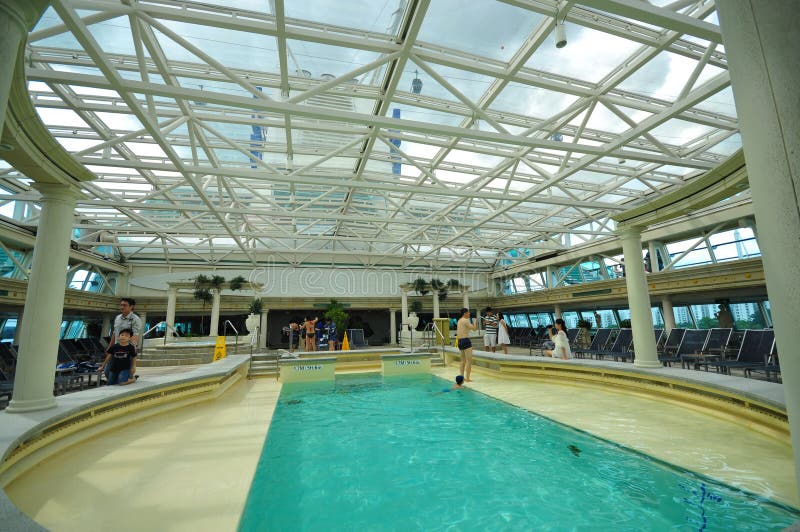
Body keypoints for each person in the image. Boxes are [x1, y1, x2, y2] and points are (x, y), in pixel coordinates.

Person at [456, 307, 478, 382]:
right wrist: (475, 322)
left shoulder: (459, 320)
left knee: (462, 361)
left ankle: (462, 377)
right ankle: (467, 378)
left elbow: (464, 329)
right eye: (468, 312)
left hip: (459, 341)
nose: (469, 314)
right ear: (464, 313)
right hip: (465, 340)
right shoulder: (465, 320)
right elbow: (474, 329)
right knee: (469, 361)